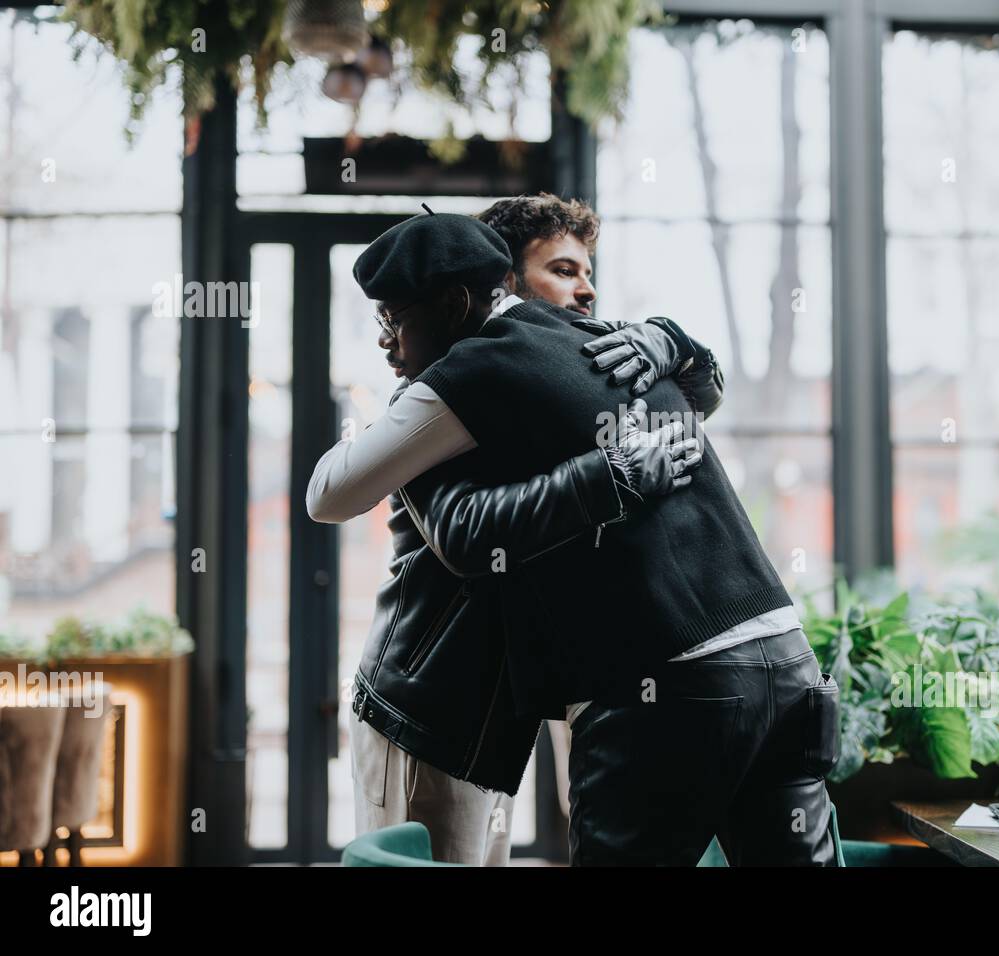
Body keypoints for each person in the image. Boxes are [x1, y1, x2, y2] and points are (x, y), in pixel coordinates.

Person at [325, 210, 841, 865]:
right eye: (563, 270)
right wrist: (669, 348)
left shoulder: (507, 367)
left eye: (393, 319)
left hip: (667, 683)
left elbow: (430, 523)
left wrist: (669, 342)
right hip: (786, 663)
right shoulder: (608, 356)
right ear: (505, 282)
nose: (586, 291)